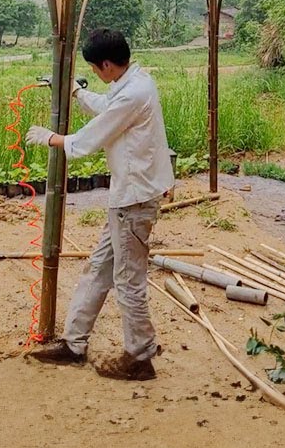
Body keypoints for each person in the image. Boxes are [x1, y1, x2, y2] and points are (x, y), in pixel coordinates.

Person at [25, 28, 174, 381]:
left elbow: (93, 136)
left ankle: (140, 356)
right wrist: (78, 93)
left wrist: (52, 138)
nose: (94, 72)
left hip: (134, 200)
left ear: (106, 64)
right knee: (97, 269)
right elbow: (109, 107)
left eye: (94, 68)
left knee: (128, 280)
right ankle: (74, 343)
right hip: (127, 198)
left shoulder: (133, 93)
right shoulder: (135, 83)